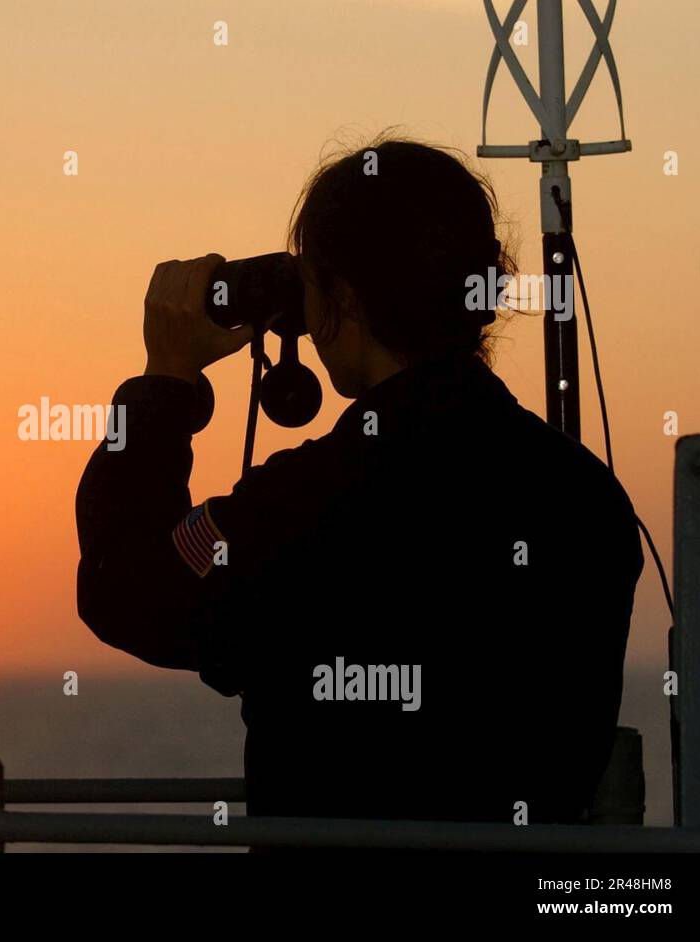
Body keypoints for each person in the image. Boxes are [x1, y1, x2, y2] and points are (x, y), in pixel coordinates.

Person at [75, 138, 644, 826]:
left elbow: (125, 587)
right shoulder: (585, 498)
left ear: (338, 300)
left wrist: (164, 383)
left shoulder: (308, 502)